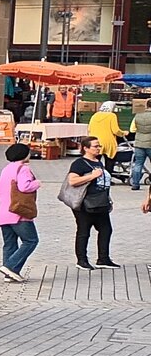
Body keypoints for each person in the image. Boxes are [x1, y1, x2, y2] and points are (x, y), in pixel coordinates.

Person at [66, 137, 117, 269]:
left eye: (99, 146)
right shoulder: (79, 163)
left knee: (106, 229)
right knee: (84, 231)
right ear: (86, 148)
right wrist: (92, 176)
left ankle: (103, 259)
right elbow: (72, 181)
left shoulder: (98, 162)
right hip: (85, 203)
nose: (98, 148)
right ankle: (81, 260)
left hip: (100, 202)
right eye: (95, 146)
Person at [0, 142, 41, 283]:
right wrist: (37, 183)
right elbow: (24, 186)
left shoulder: (6, 169)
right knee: (31, 240)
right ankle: (10, 266)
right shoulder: (23, 169)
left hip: (4, 212)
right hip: (18, 212)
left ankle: (10, 274)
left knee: (9, 243)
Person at [88, 98, 122, 170]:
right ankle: (108, 177)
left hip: (95, 141)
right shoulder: (112, 116)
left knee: (95, 161)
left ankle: (96, 177)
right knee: (109, 160)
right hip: (108, 142)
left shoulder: (95, 115)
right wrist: (123, 133)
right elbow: (116, 130)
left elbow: (89, 129)